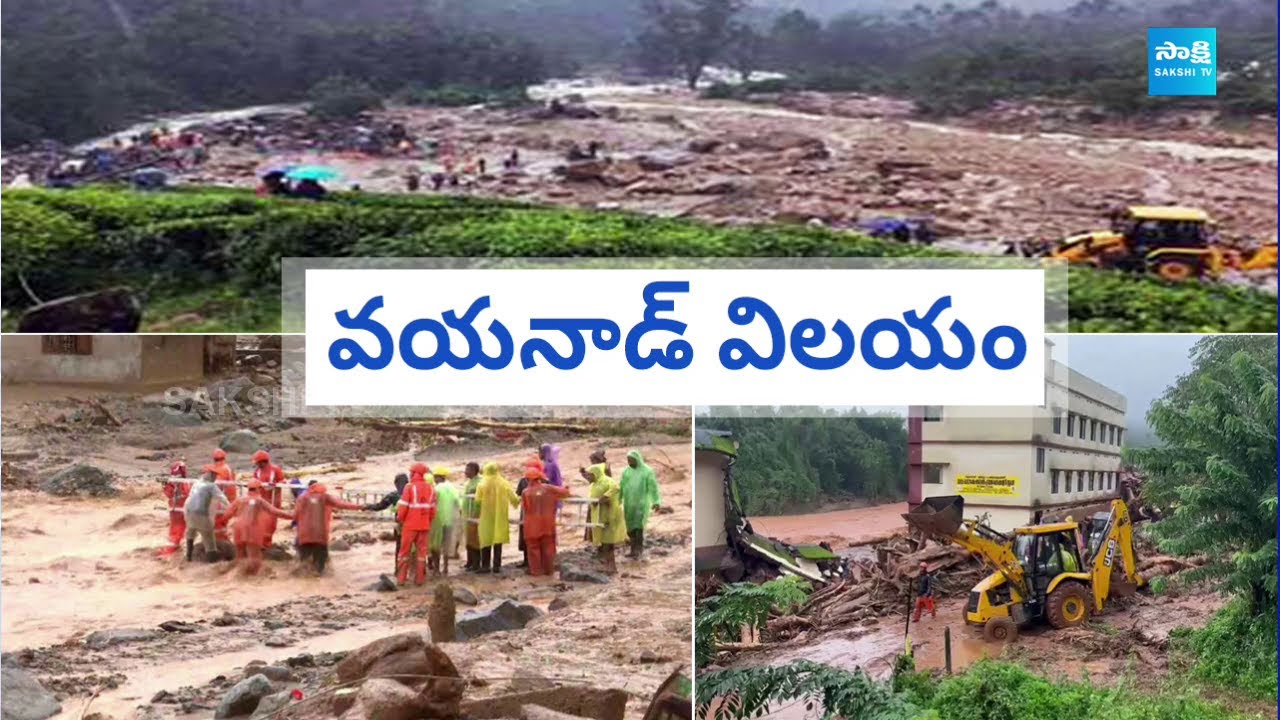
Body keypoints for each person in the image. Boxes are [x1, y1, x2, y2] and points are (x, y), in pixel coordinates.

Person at [294, 481, 365, 574]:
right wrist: (362, 506)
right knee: (320, 567)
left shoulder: (302, 498)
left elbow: (294, 515)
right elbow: (342, 504)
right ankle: (318, 579)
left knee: (304, 563)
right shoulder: (325, 497)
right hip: (320, 536)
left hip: (304, 537)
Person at [225, 480, 294, 575]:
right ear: (259, 489)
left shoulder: (239, 500)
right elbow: (275, 512)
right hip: (252, 528)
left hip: (238, 527)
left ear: (248, 489)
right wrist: (293, 516)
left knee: (240, 556)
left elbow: (227, 514)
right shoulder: (260, 500)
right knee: (255, 556)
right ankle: (252, 578)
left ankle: (236, 575)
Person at [522, 460, 571, 576]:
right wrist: (567, 487)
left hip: (531, 526)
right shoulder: (549, 488)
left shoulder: (525, 492)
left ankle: (536, 572)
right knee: (548, 549)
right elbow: (565, 493)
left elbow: (525, 508)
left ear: (527, 479)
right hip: (548, 525)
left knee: (533, 550)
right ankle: (549, 571)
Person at [396, 463, 437, 585]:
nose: (410, 474)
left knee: (404, 553)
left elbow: (403, 507)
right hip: (424, 526)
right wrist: (427, 521)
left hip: (410, 526)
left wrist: (399, 519)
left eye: (411, 472)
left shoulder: (409, 487)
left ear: (414, 473)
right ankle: (420, 579)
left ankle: (401, 579)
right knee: (421, 554)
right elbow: (433, 510)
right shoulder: (431, 488)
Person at [477, 462, 520, 574]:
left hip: (486, 516)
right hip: (500, 515)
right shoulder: (504, 483)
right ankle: (497, 566)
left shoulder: (482, 483)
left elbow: (477, 500)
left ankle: (485, 566)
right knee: (497, 540)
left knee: (486, 540)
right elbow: (514, 499)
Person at [619, 450, 662, 559]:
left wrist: (656, 501)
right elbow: (621, 487)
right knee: (630, 528)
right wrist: (617, 500)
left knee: (639, 527)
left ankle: (638, 550)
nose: (629, 462)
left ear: (637, 459)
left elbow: (653, 487)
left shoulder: (647, 471)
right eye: (628, 460)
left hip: (642, 504)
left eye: (631, 460)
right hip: (629, 503)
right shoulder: (626, 472)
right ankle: (633, 549)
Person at [586, 464, 626, 574]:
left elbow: (617, 488)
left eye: (590, 475)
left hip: (610, 516)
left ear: (596, 474)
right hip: (600, 517)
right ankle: (607, 566)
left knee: (608, 544)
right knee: (603, 542)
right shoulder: (595, 484)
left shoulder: (607, 481)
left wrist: (605, 497)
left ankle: (612, 567)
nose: (588, 478)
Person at [184, 468, 230, 562]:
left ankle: (188, 557)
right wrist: (231, 507)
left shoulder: (196, 483)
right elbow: (222, 498)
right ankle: (211, 563)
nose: (215, 478)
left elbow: (189, 497)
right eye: (214, 475)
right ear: (210, 474)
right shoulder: (211, 486)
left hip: (190, 512)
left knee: (190, 534)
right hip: (201, 514)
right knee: (209, 539)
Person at [364, 473, 409, 558]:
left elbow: (379, 506)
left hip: (400, 524)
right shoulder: (414, 493)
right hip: (416, 524)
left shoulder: (394, 495)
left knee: (399, 548)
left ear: (395, 483)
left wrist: (367, 506)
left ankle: (398, 569)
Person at [428, 466, 461, 577]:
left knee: (435, 546)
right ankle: (446, 568)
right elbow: (458, 501)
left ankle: (436, 569)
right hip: (450, 520)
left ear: (438, 477)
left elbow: (432, 502)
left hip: (437, 521)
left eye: (435, 477)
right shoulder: (452, 488)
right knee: (446, 545)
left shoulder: (436, 489)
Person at [251, 450, 286, 548]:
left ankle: (267, 543)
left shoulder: (275, 470)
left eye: (258, 463)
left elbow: (283, 481)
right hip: (261, 501)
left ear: (263, 461)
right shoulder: (257, 472)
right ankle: (261, 543)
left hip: (273, 501)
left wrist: (275, 485)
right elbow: (253, 482)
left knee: (271, 524)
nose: (257, 465)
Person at [160, 457, 190, 557]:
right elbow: (188, 494)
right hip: (181, 510)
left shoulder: (170, 481)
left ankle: (169, 549)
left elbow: (167, 494)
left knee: (174, 530)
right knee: (179, 530)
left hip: (174, 509)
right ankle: (169, 552)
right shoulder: (185, 482)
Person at [207, 449, 237, 547]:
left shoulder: (221, 469)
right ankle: (222, 543)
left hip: (223, 502)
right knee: (220, 525)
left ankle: (222, 545)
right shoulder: (227, 468)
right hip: (228, 500)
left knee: (218, 524)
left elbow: (216, 486)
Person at [462, 462, 483, 571]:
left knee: (475, 541)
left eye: (468, 469)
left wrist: (476, 515)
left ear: (474, 471)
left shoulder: (479, 483)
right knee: (469, 540)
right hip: (467, 516)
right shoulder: (469, 482)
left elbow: (478, 501)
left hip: (475, 517)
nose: (465, 472)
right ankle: (469, 562)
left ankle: (476, 564)